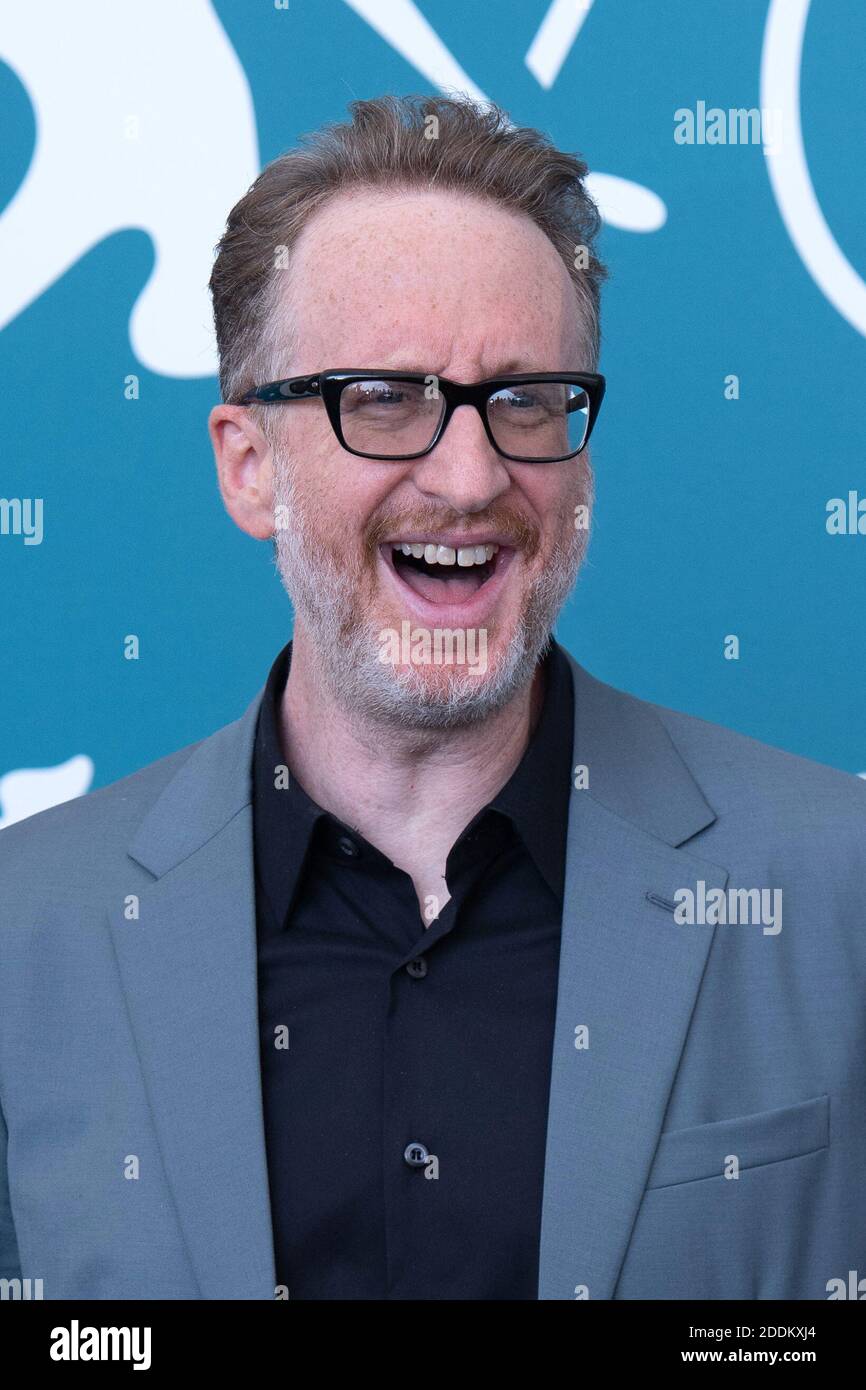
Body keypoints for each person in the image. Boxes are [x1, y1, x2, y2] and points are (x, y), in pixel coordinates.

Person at [1, 95, 864, 1301]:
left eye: (522, 401)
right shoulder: (21, 933)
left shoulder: (837, 891)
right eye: (384, 397)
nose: (469, 477)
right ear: (250, 467)